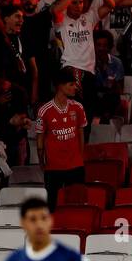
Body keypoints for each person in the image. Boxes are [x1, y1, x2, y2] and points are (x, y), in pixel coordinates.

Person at [35, 70, 88, 210]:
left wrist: (80, 158)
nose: (75, 87)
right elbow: (39, 140)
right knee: (52, 207)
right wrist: (42, 163)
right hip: (54, 168)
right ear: (60, 86)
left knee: (77, 207)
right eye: (71, 84)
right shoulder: (44, 111)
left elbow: (81, 134)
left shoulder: (78, 107)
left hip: (75, 166)